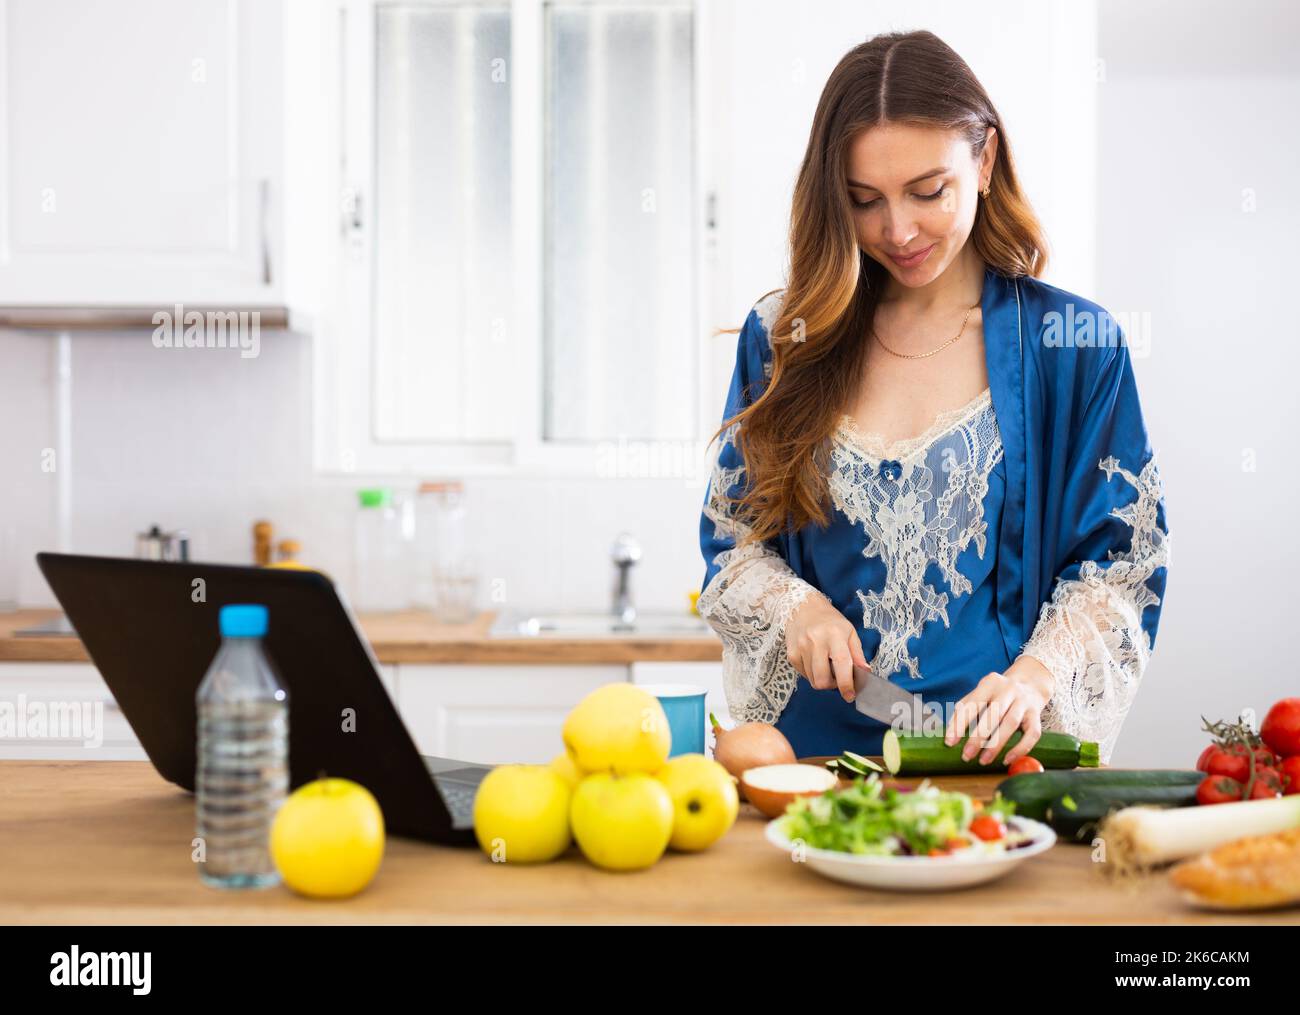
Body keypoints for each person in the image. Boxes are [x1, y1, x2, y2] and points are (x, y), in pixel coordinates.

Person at [697, 30, 1170, 766]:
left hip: (994, 763)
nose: (899, 230)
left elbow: (1121, 564)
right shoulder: (782, 337)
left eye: (928, 191)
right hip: (806, 767)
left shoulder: (1074, 344)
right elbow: (732, 544)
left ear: (983, 161)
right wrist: (799, 607)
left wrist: (1034, 677)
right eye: (864, 200)